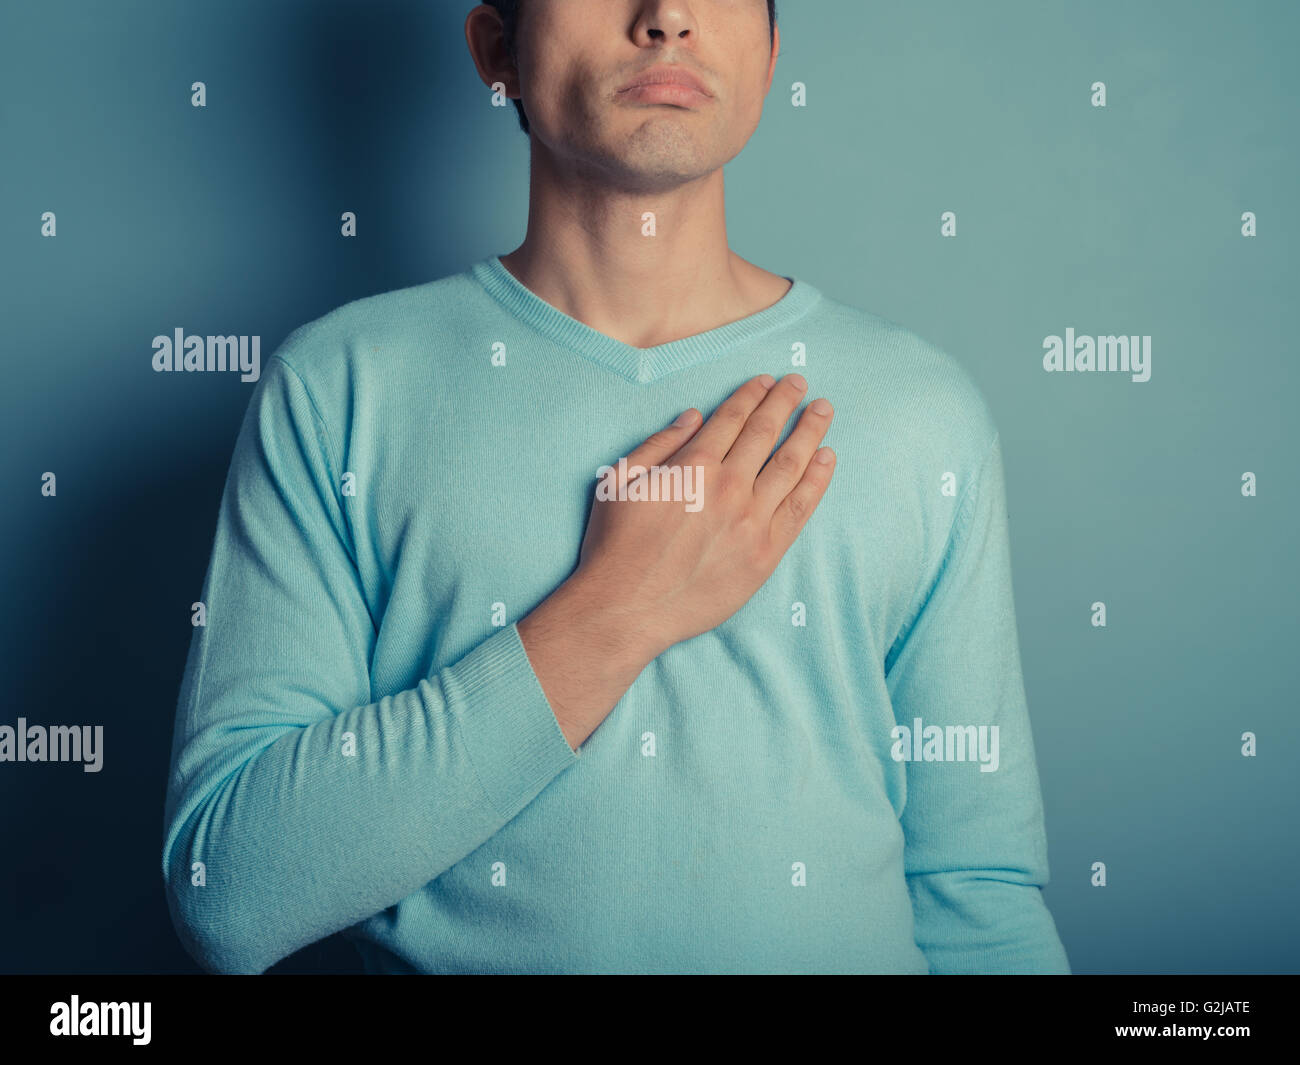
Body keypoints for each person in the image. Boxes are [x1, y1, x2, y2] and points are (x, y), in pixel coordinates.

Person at [161, 0, 1070, 975]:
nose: (667, 16)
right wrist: (614, 613)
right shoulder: (341, 387)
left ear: (768, 57)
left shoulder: (920, 409)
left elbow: (974, 893)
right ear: (495, 47)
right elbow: (231, 894)